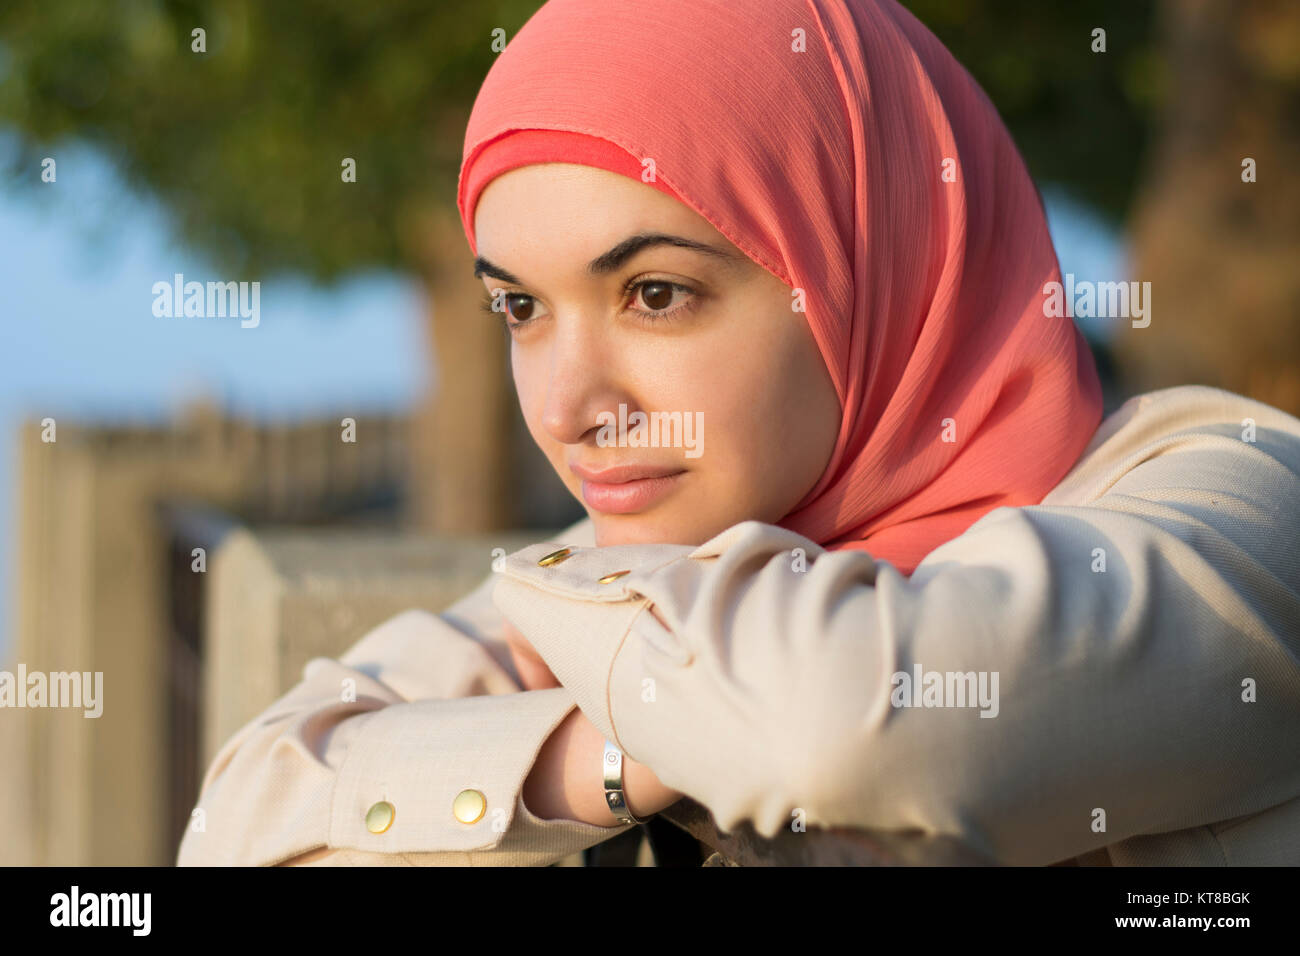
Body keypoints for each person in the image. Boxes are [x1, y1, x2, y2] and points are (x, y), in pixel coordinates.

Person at [176, 0, 1300, 867]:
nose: (569, 406)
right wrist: (619, 752)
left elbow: (835, 730)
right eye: (520, 307)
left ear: (870, 259)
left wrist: (583, 646)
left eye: (655, 293)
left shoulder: (1239, 510)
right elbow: (240, 820)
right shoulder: (653, 578)